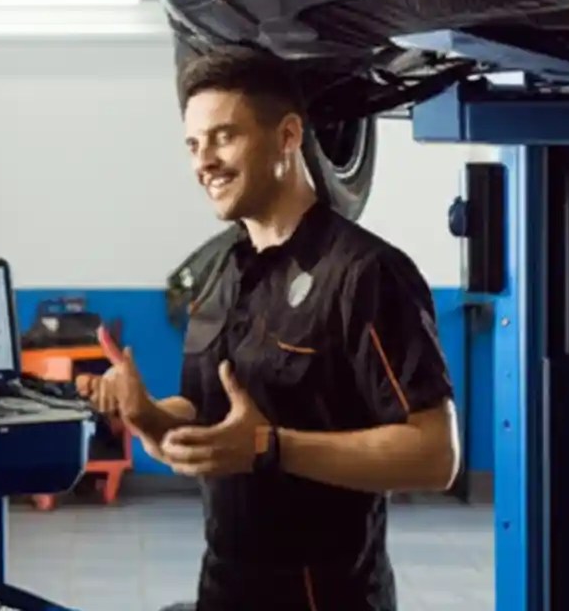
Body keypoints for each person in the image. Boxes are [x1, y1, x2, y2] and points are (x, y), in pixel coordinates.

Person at [78, 45, 460, 611]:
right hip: (225, 590)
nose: (203, 161)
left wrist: (272, 448)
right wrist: (147, 417)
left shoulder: (364, 274)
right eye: (193, 144)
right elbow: (207, 423)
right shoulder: (221, 276)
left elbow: (435, 456)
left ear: (287, 137)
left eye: (223, 136)